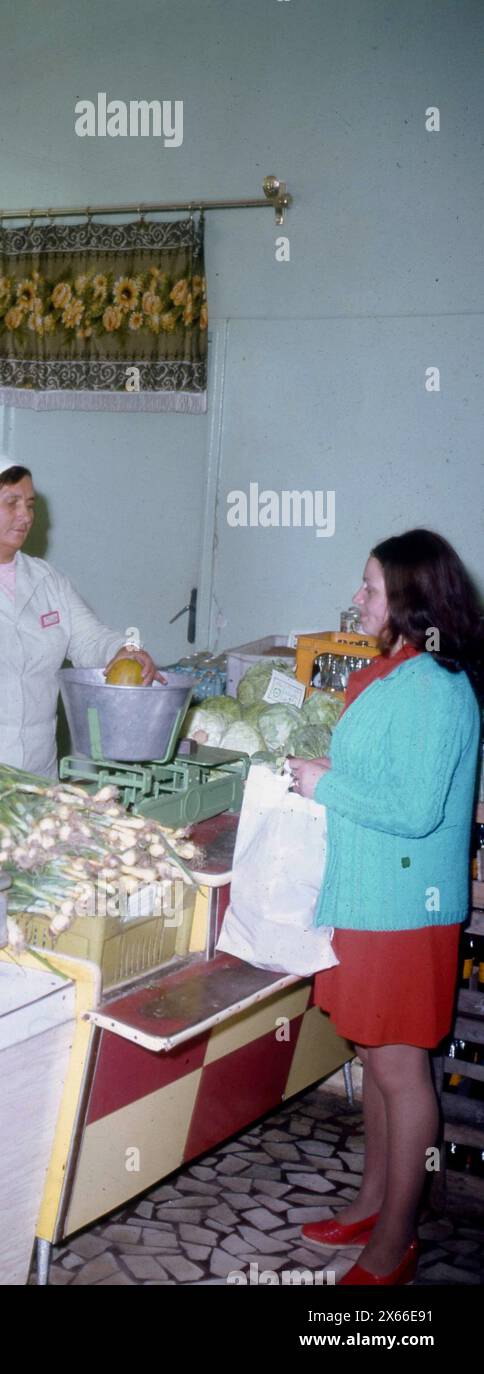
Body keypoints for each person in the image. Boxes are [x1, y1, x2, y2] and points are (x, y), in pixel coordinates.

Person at [288, 529, 483, 1286]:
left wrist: (324, 785)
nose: (358, 598)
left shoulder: (438, 684)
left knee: (403, 1073)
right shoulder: (393, 669)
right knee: (375, 1060)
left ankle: (395, 1240)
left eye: (371, 588)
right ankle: (373, 1203)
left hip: (407, 910)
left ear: (411, 599)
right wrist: (332, 771)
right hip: (368, 898)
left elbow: (414, 808)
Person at [0, 440, 158, 777]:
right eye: (12, 503)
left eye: (30, 504)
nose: (26, 515)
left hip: (39, 779)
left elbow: (90, 639)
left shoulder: (48, 581)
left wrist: (125, 649)